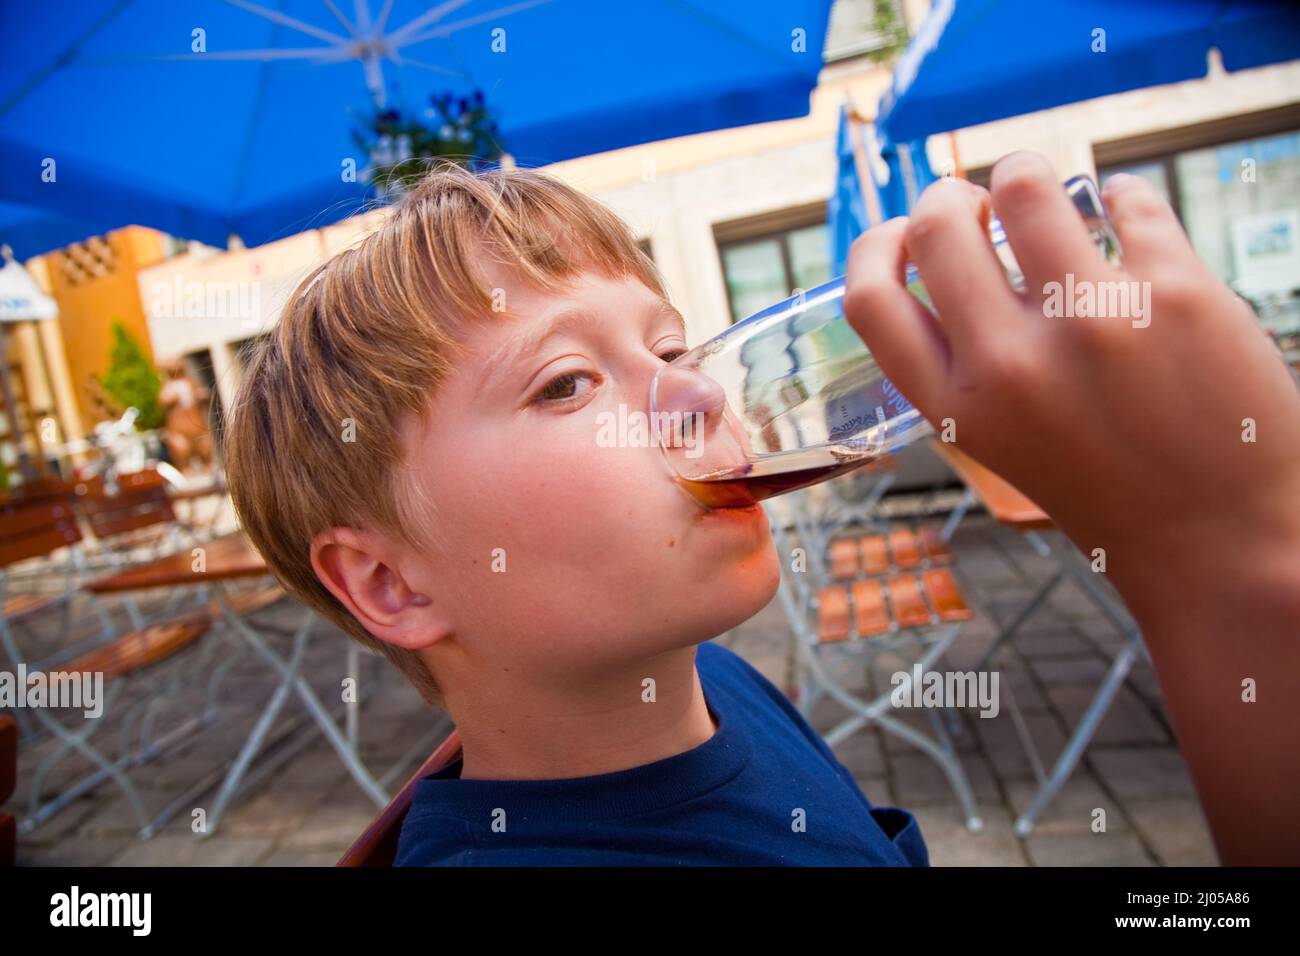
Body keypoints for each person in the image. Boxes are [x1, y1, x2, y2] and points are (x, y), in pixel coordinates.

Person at [222, 154, 1299, 866]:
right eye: (563, 383)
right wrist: (1219, 561)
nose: (697, 391)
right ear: (389, 581)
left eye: (668, 345)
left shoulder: (720, 682)